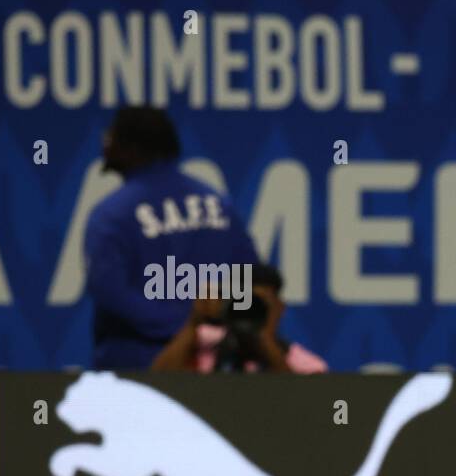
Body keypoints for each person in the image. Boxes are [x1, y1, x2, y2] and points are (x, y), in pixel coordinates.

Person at [84, 106, 259, 369]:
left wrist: (179, 328)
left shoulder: (112, 214)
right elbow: (250, 278)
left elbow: (109, 289)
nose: (105, 142)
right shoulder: (218, 203)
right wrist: (202, 327)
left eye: (112, 136)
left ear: (131, 147)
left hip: (138, 368)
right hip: (214, 366)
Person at [151, 264, 327, 373]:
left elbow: (303, 406)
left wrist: (266, 340)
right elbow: (158, 388)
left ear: (279, 308)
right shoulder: (200, 347)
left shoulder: (306, 364)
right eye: (241, 301)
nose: (247, 308)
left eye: (256, 303)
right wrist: (193, 322)